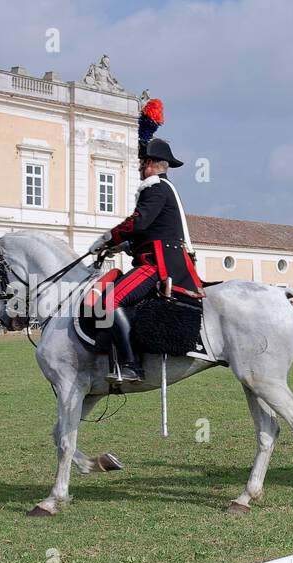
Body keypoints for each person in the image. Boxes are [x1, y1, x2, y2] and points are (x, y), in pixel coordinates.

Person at [88, 99, 201, 383]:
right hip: (158, 257)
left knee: (109, 302)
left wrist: (107, 238)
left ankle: (131, 366)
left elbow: (138, 223)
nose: (139, 167)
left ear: (151, 164)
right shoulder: (163, 189)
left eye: (142, 162)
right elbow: (149, 234)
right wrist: (122, 246)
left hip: (157, 266)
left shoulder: (155, 189)